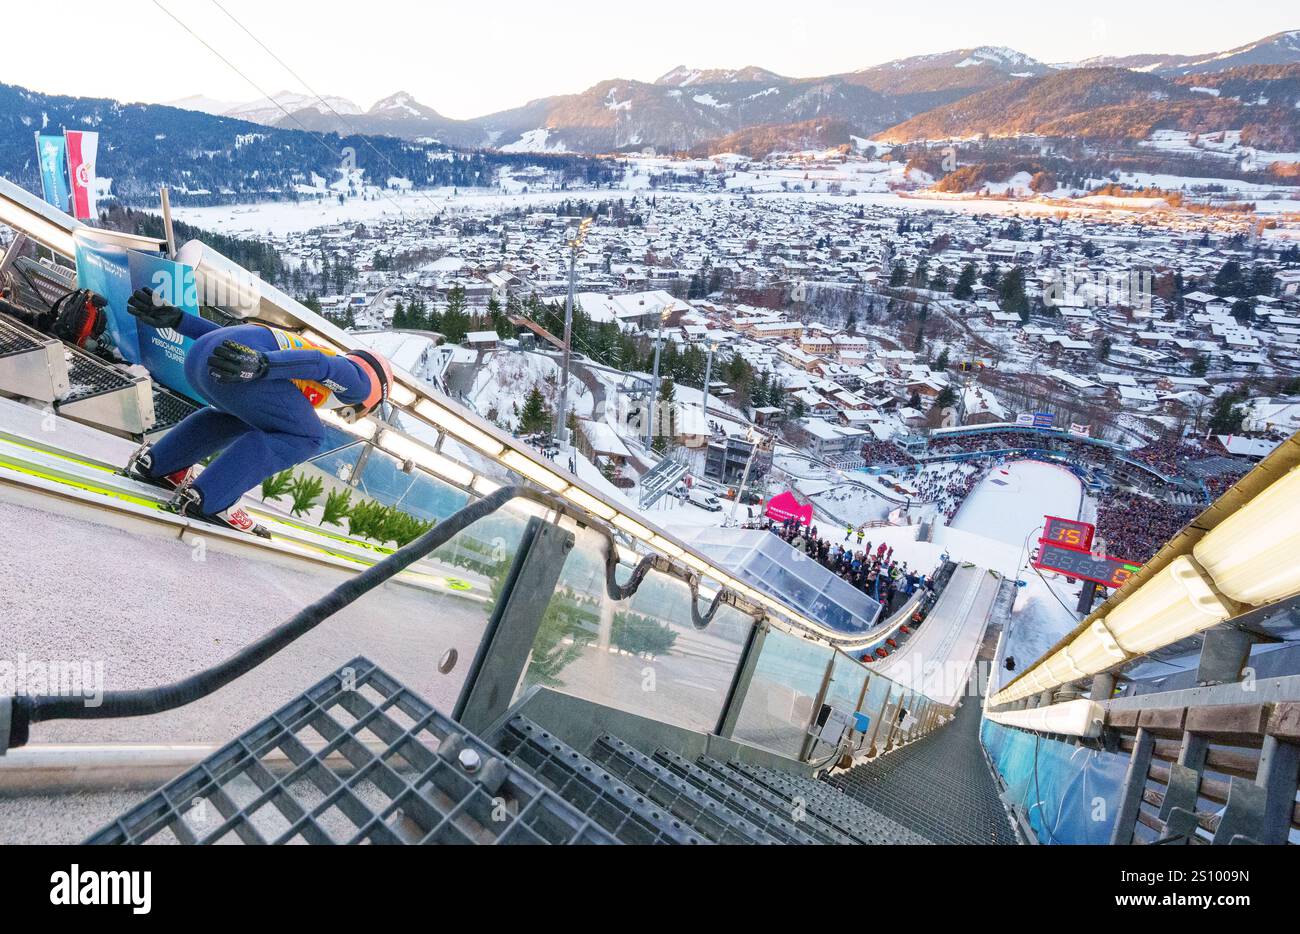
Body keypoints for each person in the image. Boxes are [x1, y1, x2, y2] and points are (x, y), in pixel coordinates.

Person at [121, 287, 392, 534]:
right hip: (244, 374)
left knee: (247, 420)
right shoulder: (360, 384)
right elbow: (321, 364)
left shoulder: (311, 354)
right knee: (308, 435)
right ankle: (212, 498)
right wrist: (262, 365)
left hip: (204, 361)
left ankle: (163, 463)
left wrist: (179, 320)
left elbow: (227, 342)